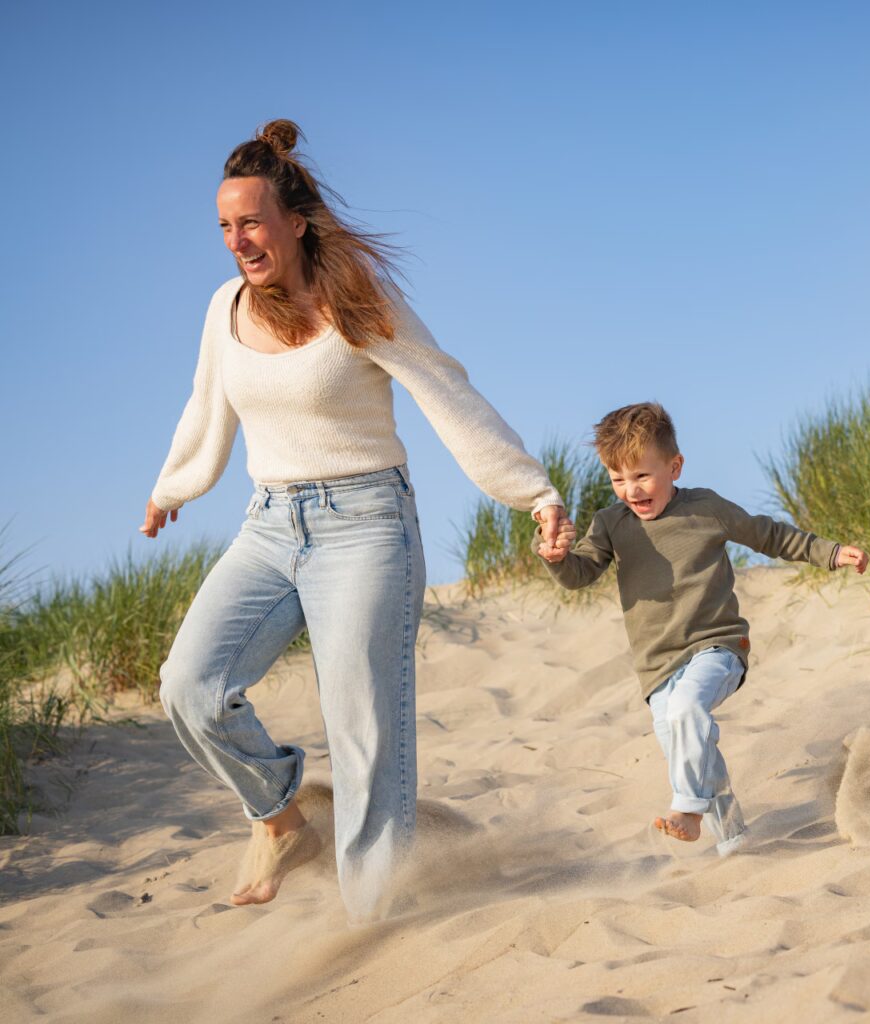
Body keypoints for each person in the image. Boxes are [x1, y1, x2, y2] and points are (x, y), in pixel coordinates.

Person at [143, 120, 570, 919]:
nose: (238, 240)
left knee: (364, 733)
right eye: (226, 227)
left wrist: (533, 492)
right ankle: (280, 819)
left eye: (252, 222)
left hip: (367, 523)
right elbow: (208, 406)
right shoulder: (224, 308)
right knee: (189, 686)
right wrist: (174, 487)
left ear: (295, 221)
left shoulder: (354, 298)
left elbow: (446, 391)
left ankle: (375, 924)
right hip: (269, 526)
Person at [538, 403, 868, 852]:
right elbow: (581, 575)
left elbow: (767, 534)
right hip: (656, 666)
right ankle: (734, 839)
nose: (631, 490)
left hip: (718, 645)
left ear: (674, 467)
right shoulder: (610, 524)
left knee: (688, 710)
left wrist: (829, 552)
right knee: (687, 745)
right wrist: (557, 558)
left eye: (642, 476)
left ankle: (688, 810)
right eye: (618, 479)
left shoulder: (706, 508)